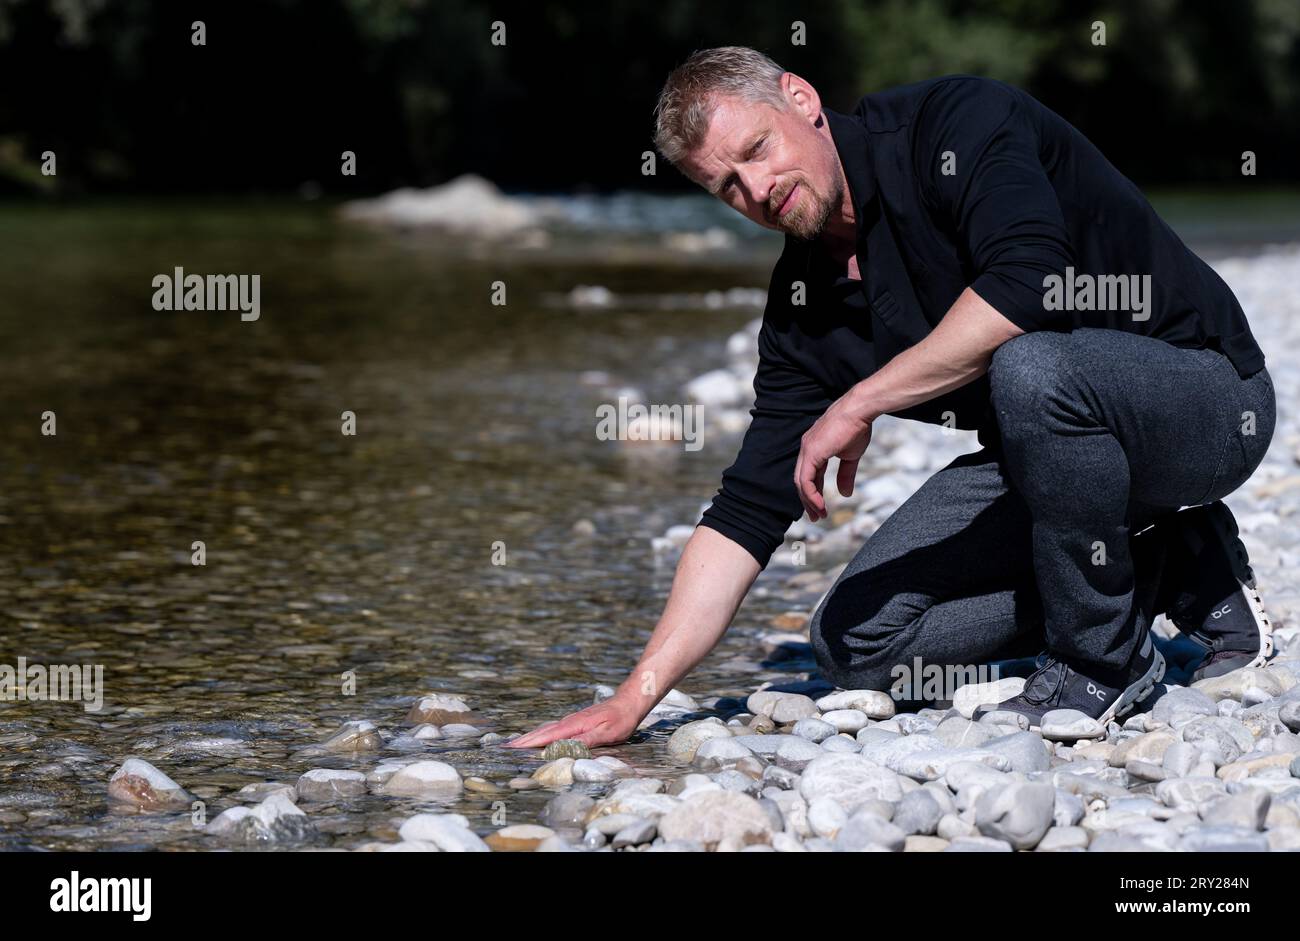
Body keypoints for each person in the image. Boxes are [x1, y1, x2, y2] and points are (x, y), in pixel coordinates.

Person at [508, 46, 1275, 749]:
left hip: (1205, 403)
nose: (757, 190)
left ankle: (1101, 665)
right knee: (854, 642)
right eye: (726, 186)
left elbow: (1028, 285)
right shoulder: (804, 306)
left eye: (756, 150)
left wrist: (858, 402)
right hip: (1053, 458)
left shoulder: (955, 124)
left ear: (801, 100)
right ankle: (1170, 565)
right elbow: (747, 509)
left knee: (1031, 367)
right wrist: (635, 696)